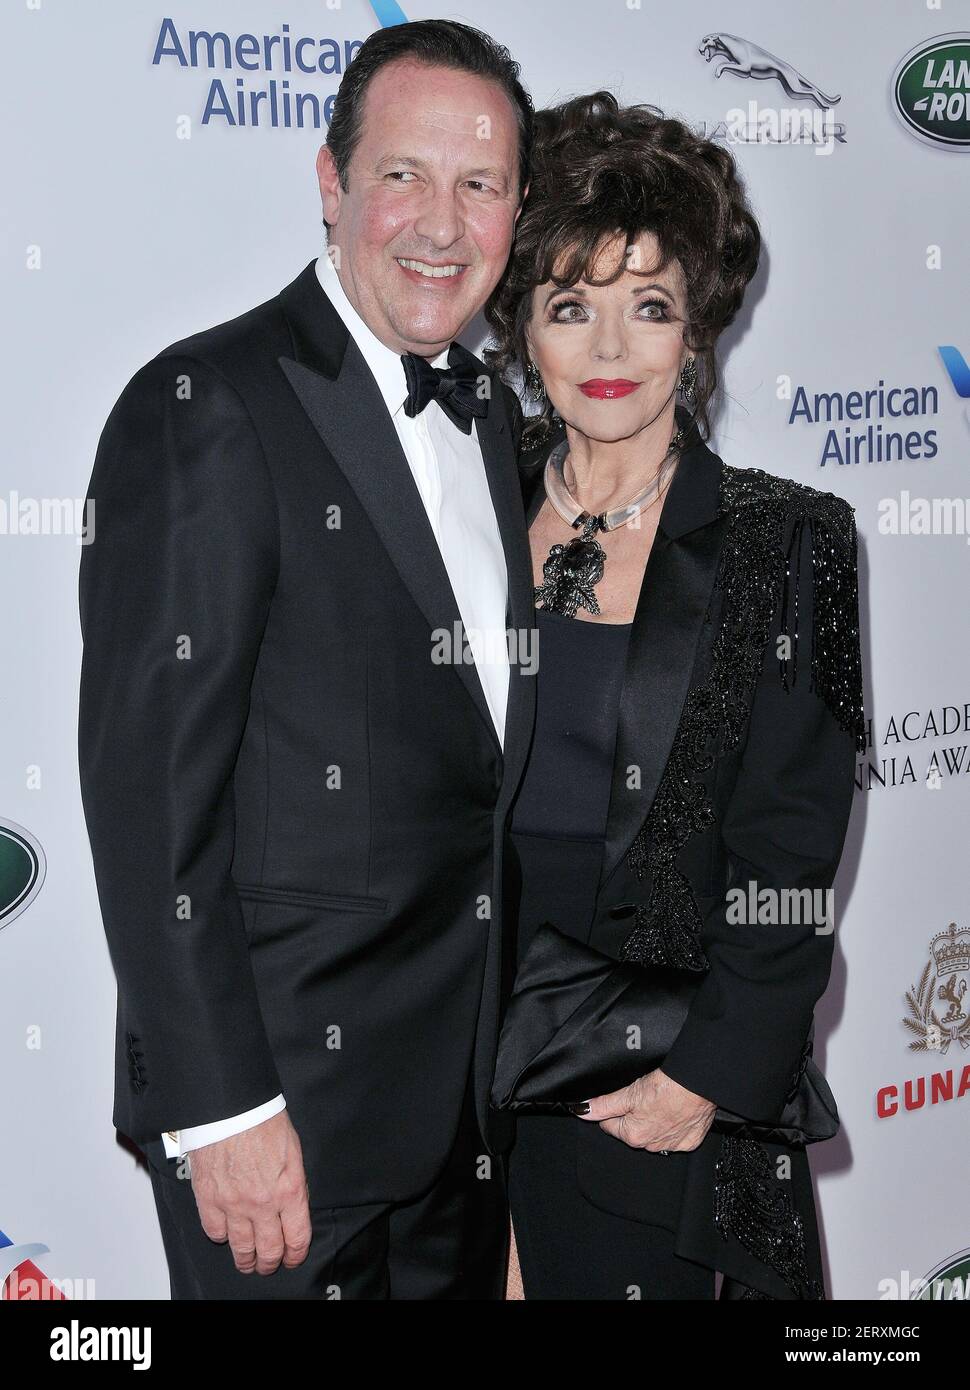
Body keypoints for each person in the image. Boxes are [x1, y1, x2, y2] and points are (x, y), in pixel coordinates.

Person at [77, 20, 536, 1300]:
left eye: (480, 184)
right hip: (283, 1134)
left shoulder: (495, 418)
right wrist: (222, 1113)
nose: (442, 224)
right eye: (403, 175)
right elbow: (146, 799)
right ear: (331, 184)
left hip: (461, 1125)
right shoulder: (207, 408)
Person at [485, 92, 866, 1300]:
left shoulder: (785, 540)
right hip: (441, 1091)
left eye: (647, 306)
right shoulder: (459, 510)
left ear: (697, 328)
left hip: (648, 1095)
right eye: (569, 307)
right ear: (520, 330)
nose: (607, 352)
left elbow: (790, 857)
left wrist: (708, 1078)